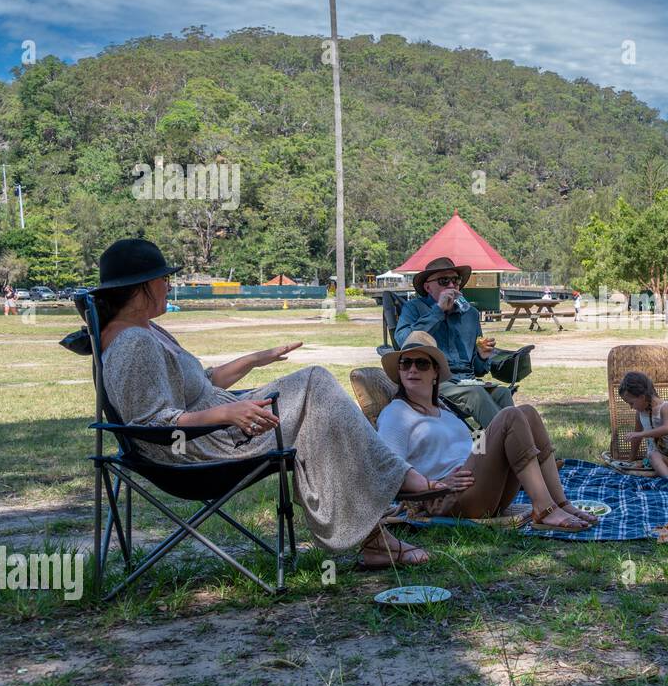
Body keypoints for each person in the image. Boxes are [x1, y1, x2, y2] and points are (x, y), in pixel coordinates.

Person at [93, 238, 444, 570]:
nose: (169, 285)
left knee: (318, 411)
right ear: (141, 286)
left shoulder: (147, 329)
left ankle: (378, 528)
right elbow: (154, 424)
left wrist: (255, 359)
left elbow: (204, 382)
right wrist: (228, 412)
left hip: (219, 429)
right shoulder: (133, 343)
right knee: (316, 386)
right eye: (164, 279)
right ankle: (396, 484)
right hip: (199, 449)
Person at [377, 332, 598, 531]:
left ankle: (561, 503)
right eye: (406, 364)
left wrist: (494, 442)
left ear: (435, 371)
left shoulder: (443, 410)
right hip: (448, 498)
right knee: (509, 416)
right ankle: (544, 508)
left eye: (421, 364)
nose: (412, 369)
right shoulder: (396, 413)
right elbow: (388, 469)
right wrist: (436, 485)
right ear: (400, 371)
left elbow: (470, 446)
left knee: (527, 413)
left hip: (481, 486)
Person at [393, 256, 513, 426]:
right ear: (428, 287)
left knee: (502, 393)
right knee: (475, 394)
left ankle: (503, 446)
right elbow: (402, 342)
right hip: (433, 380)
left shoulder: (470, 314)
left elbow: (477, 370)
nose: (451, 285)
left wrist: (482, 357)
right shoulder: (414, 308)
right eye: (443, 281)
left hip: (466, 380)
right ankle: (512, 445)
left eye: (455, 280)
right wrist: (438, 310)